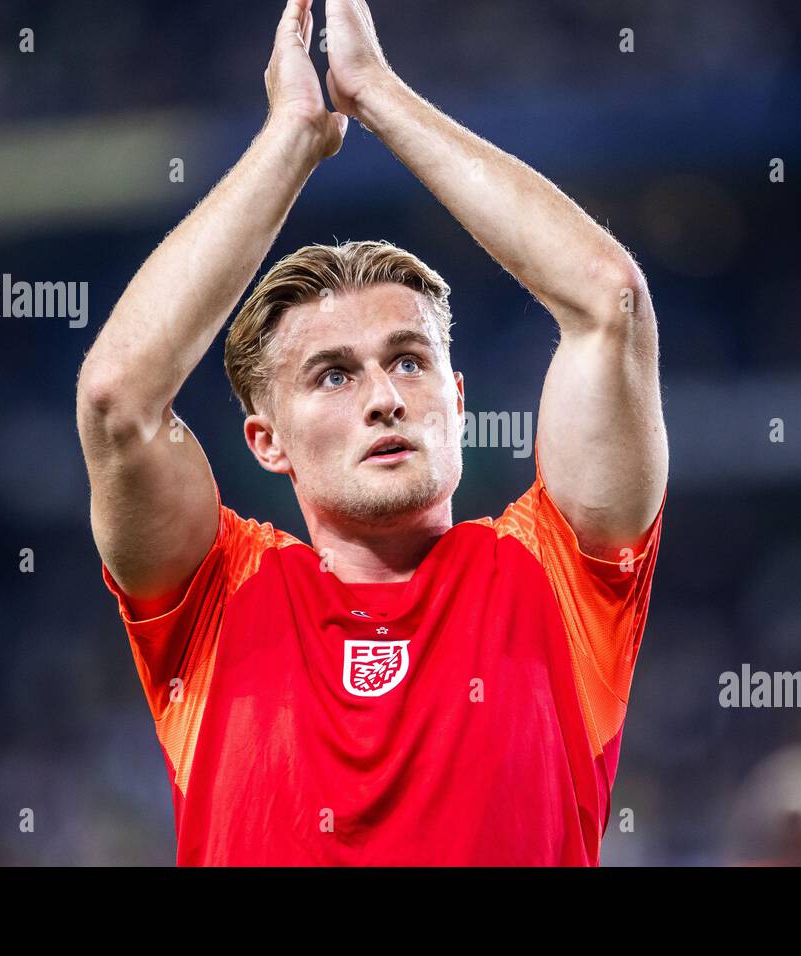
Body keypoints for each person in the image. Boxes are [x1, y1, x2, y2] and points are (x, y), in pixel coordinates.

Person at [76, 0, 668, 865]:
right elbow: (116, 402)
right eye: (334, 375)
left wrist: (377, 93)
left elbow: (608, 301)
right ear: (266, 442)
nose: (386, 397)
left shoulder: (557, 575)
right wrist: (292, 138)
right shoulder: (213, 601)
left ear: (458, 401)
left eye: (409, 360)